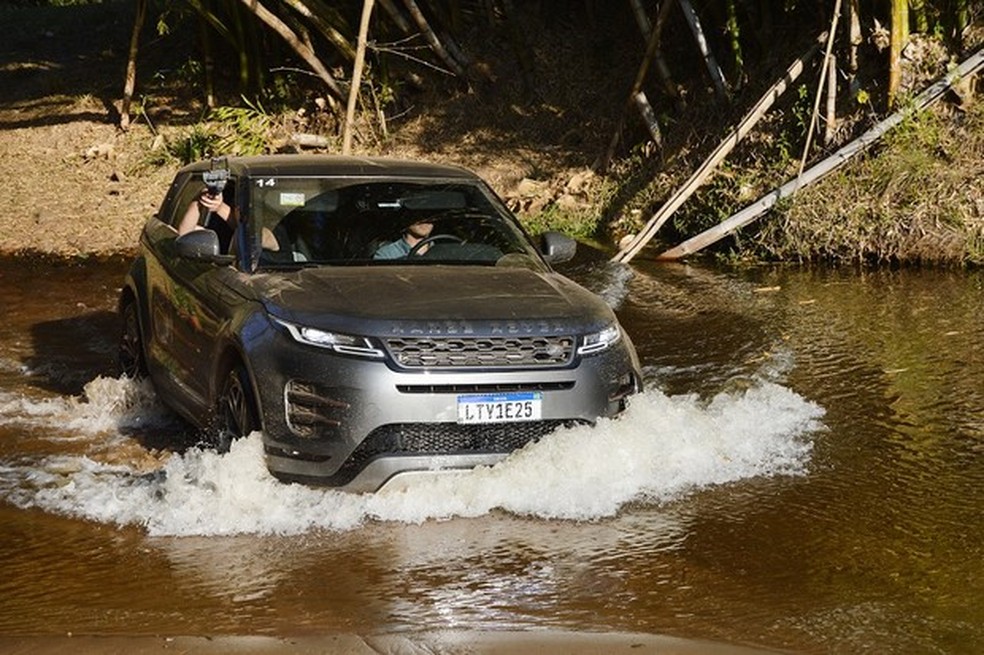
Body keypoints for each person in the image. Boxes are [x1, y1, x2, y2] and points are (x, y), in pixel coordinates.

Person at [177, 186, 237, 253]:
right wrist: (200, 201)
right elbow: (184, 235)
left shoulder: (244, 238)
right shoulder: (214, 234)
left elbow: (245, 228)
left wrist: (221, 208)